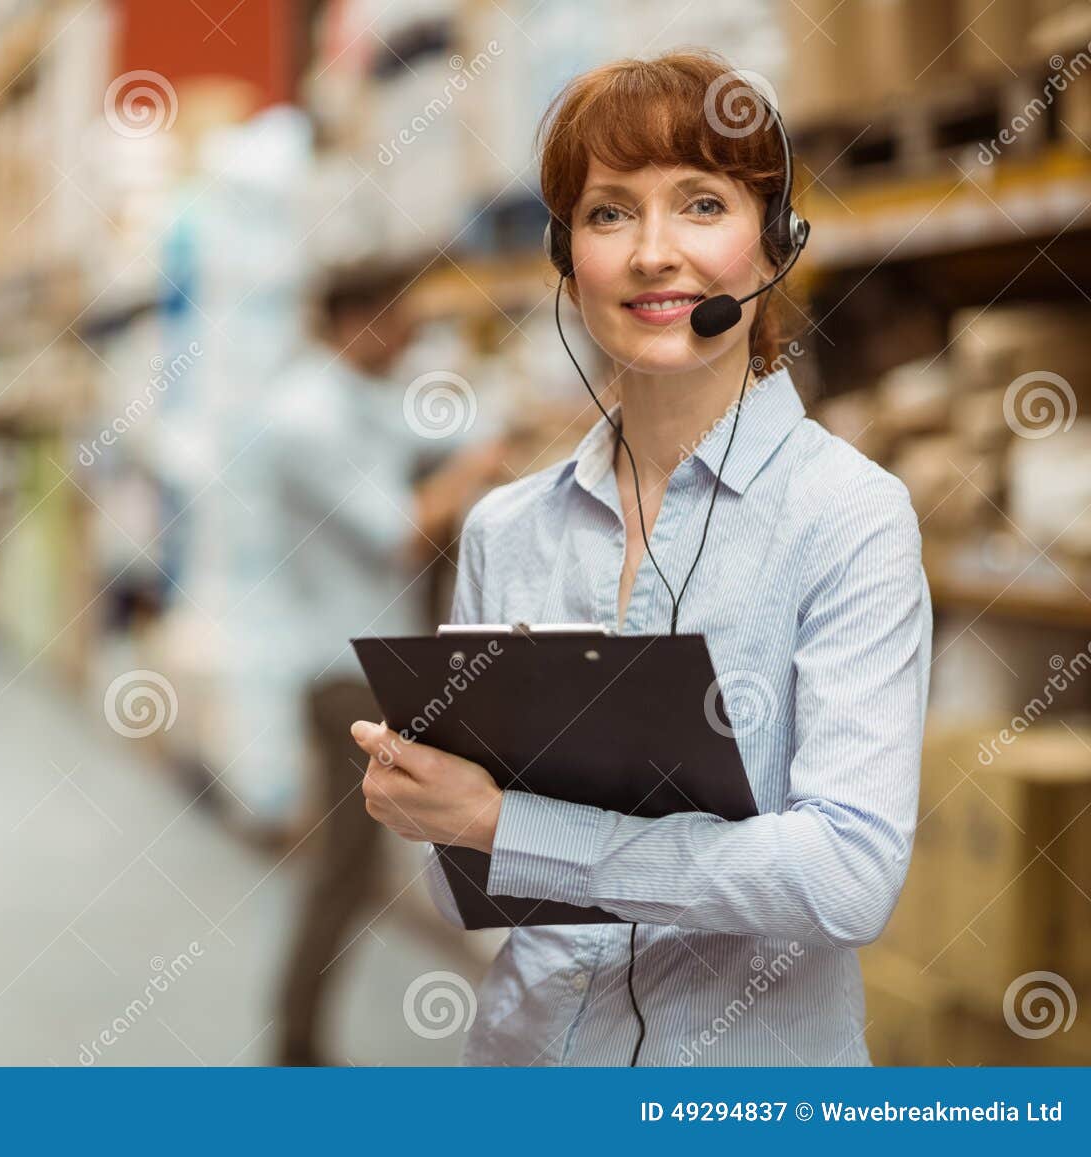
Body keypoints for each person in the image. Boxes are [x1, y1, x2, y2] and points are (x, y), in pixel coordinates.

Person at [351, 51, 932, 1066]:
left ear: (773, 246)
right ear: (566, 255)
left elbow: (844, 873)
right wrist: (432, 804)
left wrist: (511, 821)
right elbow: (470, 879)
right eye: (610, 213)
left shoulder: (848, 517)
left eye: (700, 204)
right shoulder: (504, 528)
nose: (655, 253)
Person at [269, 263, 506, 1066]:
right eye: (402, 319)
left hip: (375, 662)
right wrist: (477, 469)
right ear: (357, 317)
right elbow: (399, 530)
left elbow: (433, 434)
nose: (411, 336)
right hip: (343, 672)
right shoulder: (304, 413)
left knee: (350, 866)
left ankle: (298, 1042)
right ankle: (295, 1047)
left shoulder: (366, 394)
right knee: (345, 868)